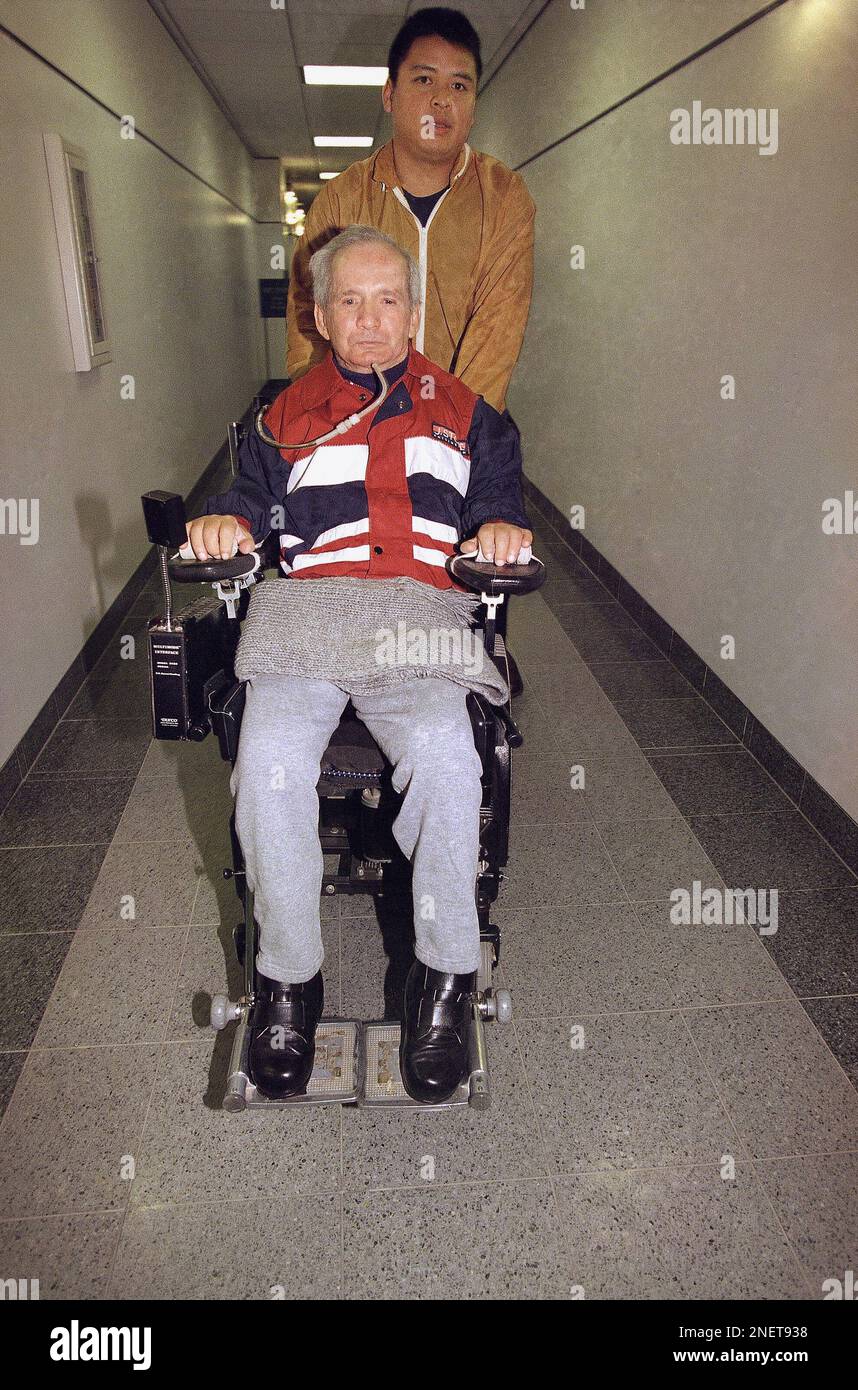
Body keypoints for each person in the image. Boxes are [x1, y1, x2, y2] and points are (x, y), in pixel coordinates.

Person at [186, 225, 532, 1104]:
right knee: (268, 764)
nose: (371, 319)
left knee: (452, 760)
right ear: (320, 314)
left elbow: (498, 501)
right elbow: (249, 499)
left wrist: (495, 525)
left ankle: (443, 980)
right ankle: (287, 980)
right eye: (351, 301)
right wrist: (226, 519)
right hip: (305, 621)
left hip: (417, 622)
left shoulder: (471, 417)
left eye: (388, 301)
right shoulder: (280, 420)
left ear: (414, 313)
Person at [286, 6, 534, 416]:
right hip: (356, 424)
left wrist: (444, 433)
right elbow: (307, 318)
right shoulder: (341, 200)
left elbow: (498, 331)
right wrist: (331, 414)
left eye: (459, 86)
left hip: (465, 426)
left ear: (473, 105)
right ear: (389, 94)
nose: (441, 99)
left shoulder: (504, 196)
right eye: (423, 79)